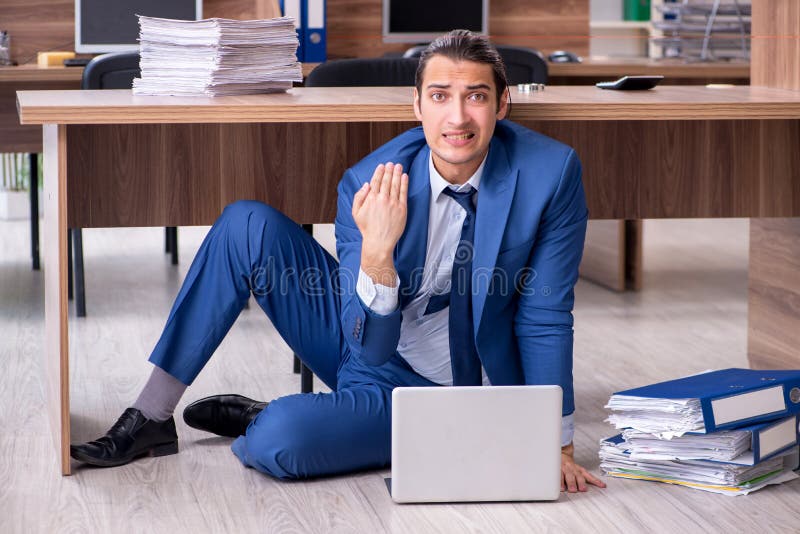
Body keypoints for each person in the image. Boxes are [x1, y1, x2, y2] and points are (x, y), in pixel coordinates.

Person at [71, 30, 605, 493]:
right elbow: (369, 346)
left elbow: (545, 316)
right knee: (245, 223)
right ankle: (151, 416)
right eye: (440, 96)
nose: (458, 116)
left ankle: (280, 420)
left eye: (477, 97)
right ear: (417, 105)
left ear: (502, 104)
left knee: (281, 439)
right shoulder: (369, 182)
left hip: (452, 392)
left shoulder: (550, 174)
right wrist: (377, 255)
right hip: (373, 350)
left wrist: (553, 444)